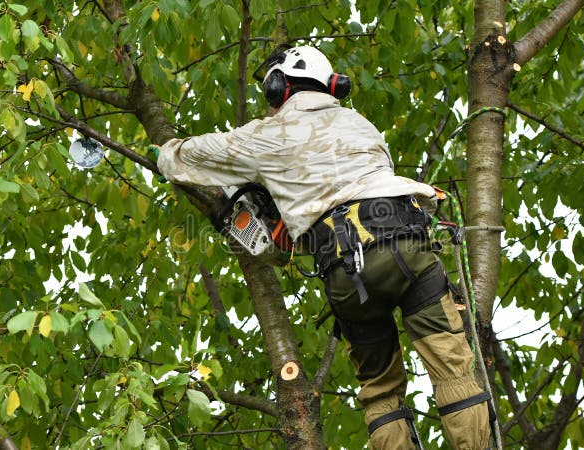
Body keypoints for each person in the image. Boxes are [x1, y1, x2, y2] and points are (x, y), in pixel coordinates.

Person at [157, 45, 492, 450]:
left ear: (280, 87)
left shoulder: (267, 135)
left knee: (381, 393)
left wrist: (168, 152)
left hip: (345, 272)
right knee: (453, 371)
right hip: (407, 245)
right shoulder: (362, 125)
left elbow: (185, 158)